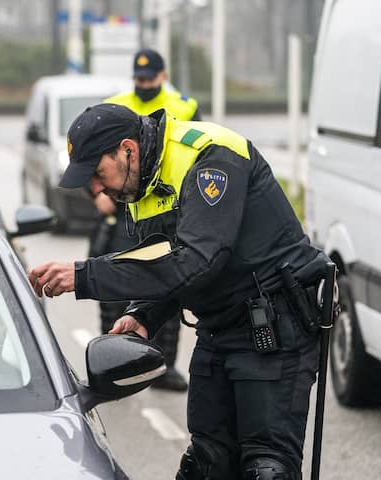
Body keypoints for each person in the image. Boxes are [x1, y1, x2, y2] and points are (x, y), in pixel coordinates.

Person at [28, 103, 326, 479]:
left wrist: (85, 276)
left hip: (274, 327)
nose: (96, 188)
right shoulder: (137, 188)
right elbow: (163, 261)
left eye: (98, 173)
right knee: (208, 462)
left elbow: (199, 260)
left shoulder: (211, 156)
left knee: (266, 467)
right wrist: (142, 315)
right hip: (218, 327)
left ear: (128, 150)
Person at [88, 48, 199, 391]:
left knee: (167, 281)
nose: (144, 84)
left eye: (149, 79)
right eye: (139, 79)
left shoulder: (186, 106)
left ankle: (164, 365)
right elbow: (86, 157)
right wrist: (95, 195)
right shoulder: (115, 103)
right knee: (116, 281)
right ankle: (115, 359)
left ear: (163, 76)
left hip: (165, 207)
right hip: (123, 212)